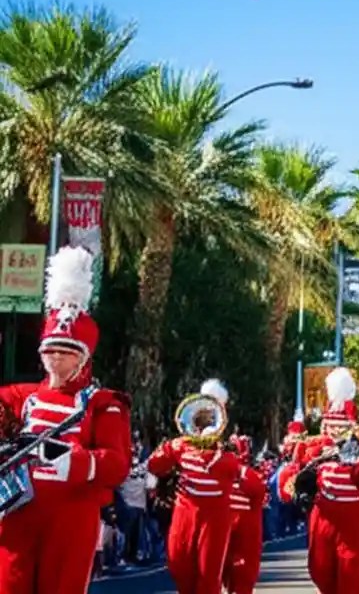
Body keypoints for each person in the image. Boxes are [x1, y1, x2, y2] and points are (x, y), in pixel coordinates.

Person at [0, 247, 132, 594]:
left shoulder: (103, 404)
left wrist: (68, 459)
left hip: (71, 518)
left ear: (83, 357)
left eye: (65, 351)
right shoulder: (21, 396)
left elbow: (117, 464)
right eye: (50, 350)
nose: (55, 358)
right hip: (18, 513)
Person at [278, 367, 359, 594]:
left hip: (353, 524)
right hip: (324, 519)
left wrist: (352, 462)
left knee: (351, 574)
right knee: (319, 568)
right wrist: (297, 484)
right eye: (331, 424)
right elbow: (290, 478)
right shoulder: (314, 449)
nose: (335, 430)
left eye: (341, 425)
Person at [147, 379, 242, 594]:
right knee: (178, 564)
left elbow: (233, 470)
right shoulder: (180, 446)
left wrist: (215, 449)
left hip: (215, 516)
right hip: (185, 512)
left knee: (209, 573)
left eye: (210, 420)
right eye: (201, 421)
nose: (204, 426)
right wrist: (170, 449)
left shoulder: (228, 451)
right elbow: (154, 465)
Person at [223, 435, 266, 594]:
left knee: (238, 569)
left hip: (238, 523)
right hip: (234, 522)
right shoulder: (249, 474)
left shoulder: (248, 474)